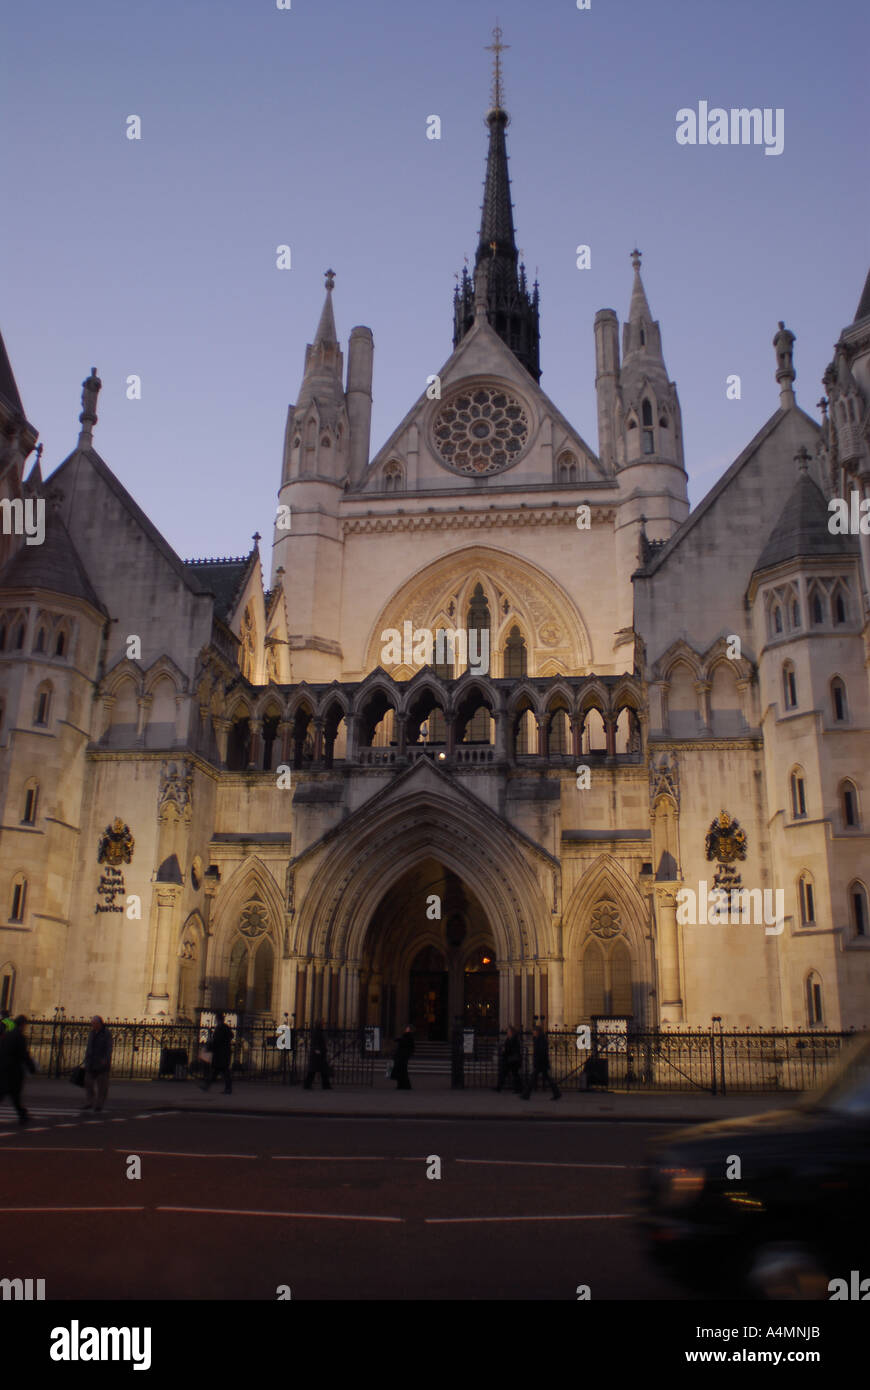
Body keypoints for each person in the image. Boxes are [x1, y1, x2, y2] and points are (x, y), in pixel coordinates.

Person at [0, 1015, 36, 1125]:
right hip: (13, 1070)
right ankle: (22, 1114)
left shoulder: (7, 1035)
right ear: (23, 1024)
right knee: (12, 1093)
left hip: (4, 1068)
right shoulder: (19, 1036)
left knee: (10, 1093)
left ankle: (22, 1114)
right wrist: (31, 1067)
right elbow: (24, 1054)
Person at [521, 1025, 560, 1101]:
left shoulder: (541, 1039)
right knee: (546, 1079)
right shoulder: (538, 1039)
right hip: (541, 1062)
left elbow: (541, 1052)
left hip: (541, 1062)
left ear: (537, 1032)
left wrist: (537, 1060)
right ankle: (556, 1093)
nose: (533, 1032)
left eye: (534, 1031)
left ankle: (526, 1094)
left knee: (533, 1078)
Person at [82, 1015, 113, 1112]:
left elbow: (109, 1048)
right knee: (88, 1083)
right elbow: (89, 1047)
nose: (93, 1026)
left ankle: (99, 1104)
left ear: (100, 1024)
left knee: (102, 1086)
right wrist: (86, 1059)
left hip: (101, 1063)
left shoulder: (106, 1033)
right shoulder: (92, 1033)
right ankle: (89, 1102)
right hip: (91, 1062)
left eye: (95, 1024)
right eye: (92, 1024)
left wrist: (106, 1059)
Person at [201, 1011, 233, 1094]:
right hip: (224, 1052)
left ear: (218, 1019)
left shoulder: (220, 1028)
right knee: (218, 1071)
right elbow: (230, 1036)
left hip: (220, 1053)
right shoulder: (225, 1027)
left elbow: (216, 1041)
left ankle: (227, 1088)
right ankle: (207, 1086)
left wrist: (209, 1047)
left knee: (221, 1070)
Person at [303, 1019, 331, 1090]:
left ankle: (325, 1085)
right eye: (323, 1024)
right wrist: (317, 1050)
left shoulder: (319, 1032)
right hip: (317, 1055)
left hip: (320, 1054)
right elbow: (315, 1043)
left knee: (322, 1071)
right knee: (314, 1071)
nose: (324, 1025)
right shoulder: (317, 1032)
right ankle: (308, 1085)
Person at [496, 1025, 523, 1092]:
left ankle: (518, 1088)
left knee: (513, 1074)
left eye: (508, 1031)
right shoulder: (509, 1039)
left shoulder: (514, 1039)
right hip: (509, 1059)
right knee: (506, 1073)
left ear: (511, 1032)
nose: (507, 1033)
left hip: (513, 1059)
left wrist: (505, 1050)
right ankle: (499, 1087)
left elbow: (512, 1049)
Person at [392, 1024, 414, 1090]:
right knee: (400, 1071)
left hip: (403, 1057)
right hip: (400, 1056)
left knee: (403, 1072)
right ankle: (400, 1085)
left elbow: (410, 1047)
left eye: (407, 1029)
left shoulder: (409, 1037)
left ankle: (405, 1086)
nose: (406, 1029)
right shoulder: (404, 1036)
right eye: (406, 1028)